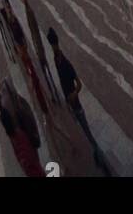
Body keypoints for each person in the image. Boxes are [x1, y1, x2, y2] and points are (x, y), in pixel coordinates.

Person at [47, 26, 112, 176]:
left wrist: (73, 95)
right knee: (85, 132)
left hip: (75, 104)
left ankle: (103, 162)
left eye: (53, 44)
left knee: (89, 134)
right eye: (52, 44)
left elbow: (79, 84)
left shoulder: (66, 63)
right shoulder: (56, 59)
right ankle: (98, 157)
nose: (53, 47)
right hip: (70, 104)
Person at [19, 0, 57, 96]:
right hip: (38, 45)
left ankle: (52, 89)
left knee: (45, 69)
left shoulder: (29, 11)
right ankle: (52, 89)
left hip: (38, 45)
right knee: (45, 69)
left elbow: (34, 29)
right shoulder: (28, 10)